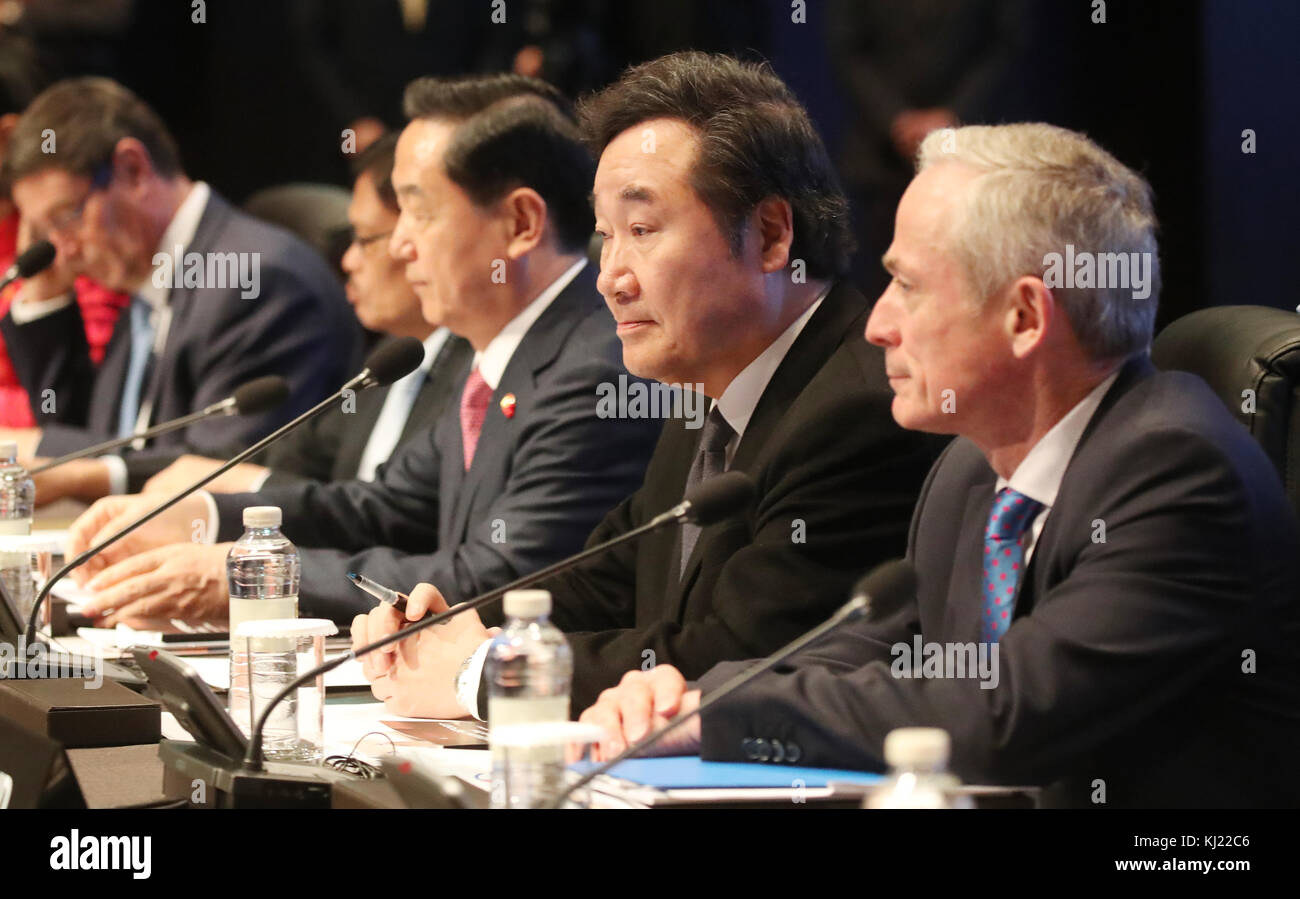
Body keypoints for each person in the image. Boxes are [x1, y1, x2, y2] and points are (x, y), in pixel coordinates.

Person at [580, 123, 1300, 808]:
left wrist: (728, 717)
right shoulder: (968, 468)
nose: (877, 323)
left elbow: (1005, 711)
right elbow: (875, 647)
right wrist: (690, 699)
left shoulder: (1176, 468)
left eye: (909, 286)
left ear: (1025, 317)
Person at [348, 52, 941, 719]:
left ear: (772, 235)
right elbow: (609, 578)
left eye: (642, 230)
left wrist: (482, 673)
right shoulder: (706, 390)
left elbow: (735, 654)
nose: (611, 276)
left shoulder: (857, 411)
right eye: (606, 238)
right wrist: (447, 625)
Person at [65, 74, 661, 628]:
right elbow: (386, 508)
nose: (400, 245)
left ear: (520, 224)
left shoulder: (596, 370)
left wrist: (249, 576)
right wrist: (207, 518)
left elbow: (499, 579)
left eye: (419, 212)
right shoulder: (496, 354)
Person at [0, 77, 362, 498]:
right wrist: (47, 300)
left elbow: (218, 466)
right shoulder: (147, 281)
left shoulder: (254, 281)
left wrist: (41, 448)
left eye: (65, 217)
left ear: (133, 170)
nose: (62, 248)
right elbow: (98, 439)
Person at [126, 133, 472, 497]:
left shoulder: (471, 376)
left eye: (365, 239)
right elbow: (284, 457)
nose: (348, 261)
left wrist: (249, 487)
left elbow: (390, 513)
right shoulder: (386, 365)